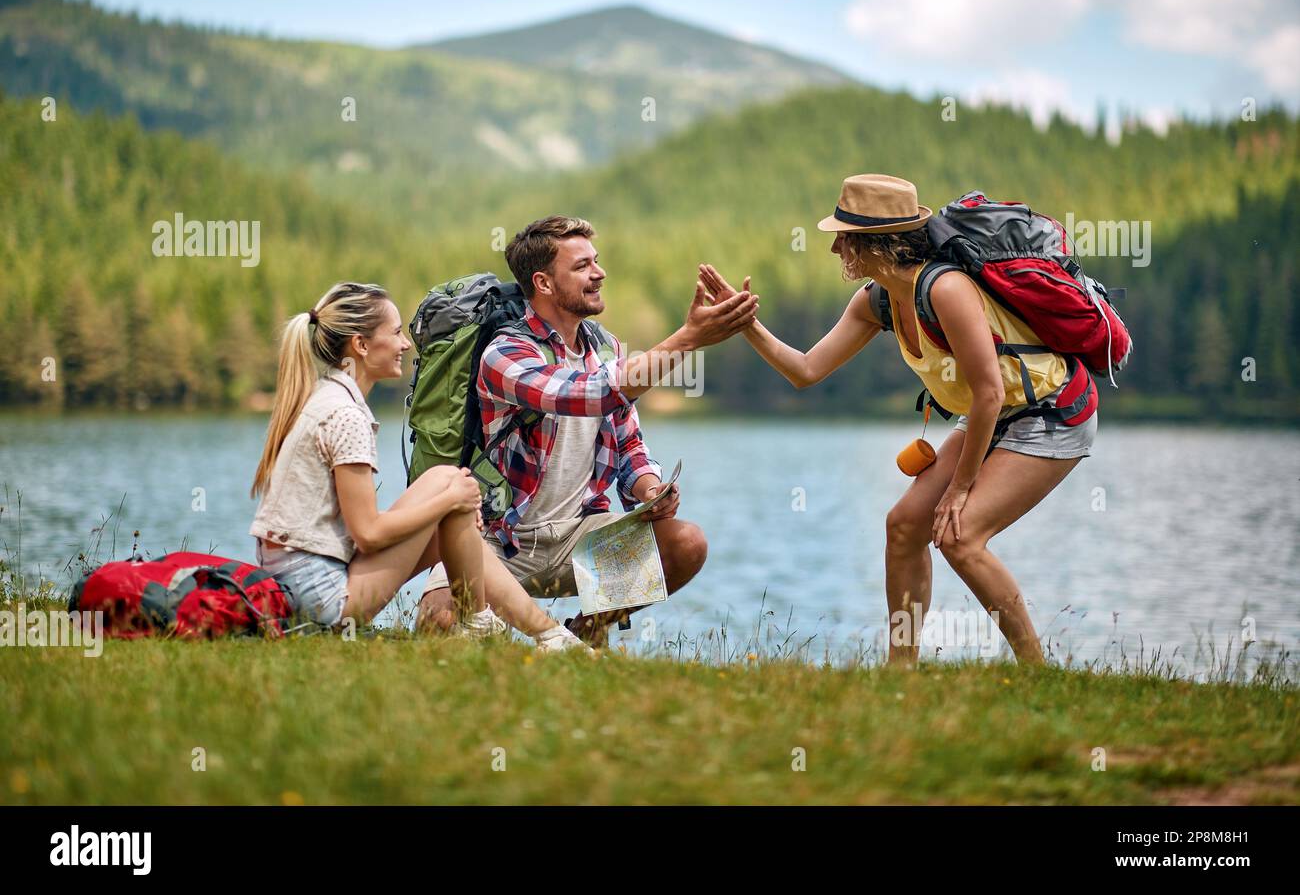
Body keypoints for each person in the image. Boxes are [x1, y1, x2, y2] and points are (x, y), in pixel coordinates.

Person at [698, 174, 1098, 665]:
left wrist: (959, 487)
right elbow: (806, 370)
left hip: (1052, 411)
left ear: (877, 243)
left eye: (843, 238)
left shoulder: (946, 290)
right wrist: (747, 324)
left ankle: (1036, 670)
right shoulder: (878, 299)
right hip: (992, 413)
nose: (835, 249)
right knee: (905, 525)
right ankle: (900, 670)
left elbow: (990, 392)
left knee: (960, 535)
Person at [417, 216, 759, 646]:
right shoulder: (505, 352)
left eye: (595, 262)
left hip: (579, 536)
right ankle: (510, 627)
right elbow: (587, 395)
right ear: (542, 283)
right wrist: (687, 339)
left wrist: (650, 488)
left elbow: (628, 443)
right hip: (496, 539)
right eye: (581, 266)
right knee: (440, 625)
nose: (599, 273)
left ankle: (584, 633)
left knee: (686, 544)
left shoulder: (605, 348)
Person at [250, 281, 587, 651]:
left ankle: (520, 630)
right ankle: (541, 634)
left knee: (445, 479)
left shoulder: (327, 397)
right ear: (361, 346)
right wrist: (448, 504)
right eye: (395, 333)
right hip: (321, 599)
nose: (406, 344)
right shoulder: (345, 415)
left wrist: (450, 502)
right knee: (449, 493)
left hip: (296, 582)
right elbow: (369, 534)